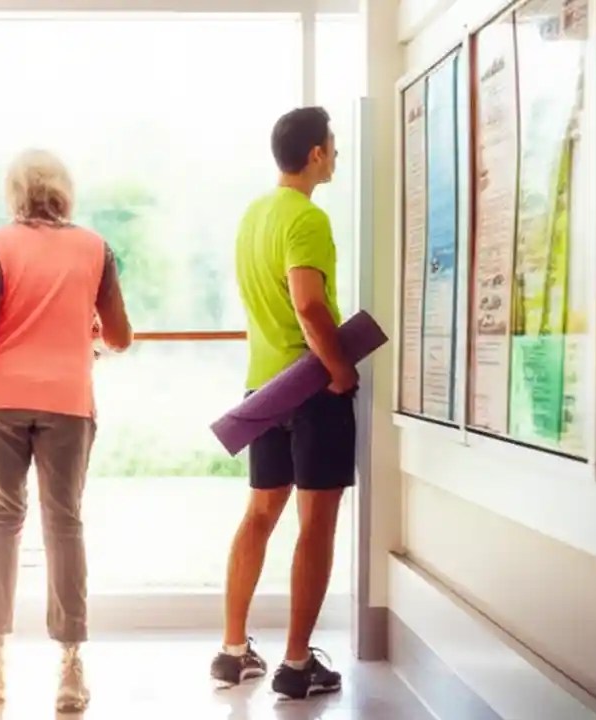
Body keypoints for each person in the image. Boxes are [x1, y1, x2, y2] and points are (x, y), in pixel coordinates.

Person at [0, 148, 133, 713]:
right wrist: (87, 324)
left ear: (14, 193)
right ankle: (71, 667)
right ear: (64, 191)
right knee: (63, 522)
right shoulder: (97, 247)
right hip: (69, 400)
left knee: (2, 521)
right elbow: (118, 335)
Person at [210, 106, 357, 701]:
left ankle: (232, 650)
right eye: (333, 146)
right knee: (315, 526)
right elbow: (309, 306)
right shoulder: (308, 218)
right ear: (316, 154)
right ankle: (297, 665)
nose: (336, 155)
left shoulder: (253, 216)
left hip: (265, 389)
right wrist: (341, 370)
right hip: (313, 390)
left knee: (259, 515)